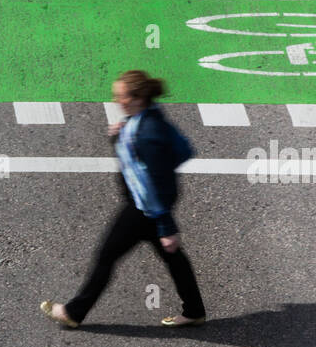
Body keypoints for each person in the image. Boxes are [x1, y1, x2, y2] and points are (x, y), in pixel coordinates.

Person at [41, 70, 206, 329]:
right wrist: (121, 136)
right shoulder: (146, 117)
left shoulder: (148, 134)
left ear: (137, 98)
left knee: (107, 255)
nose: (118, 101)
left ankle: (73, 312)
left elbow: (156, 183)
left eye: (121, 97)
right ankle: (194, 310)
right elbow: (177, 153)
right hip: (148, 207)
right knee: (173, 257)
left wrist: (166, 226)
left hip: (144, 208)